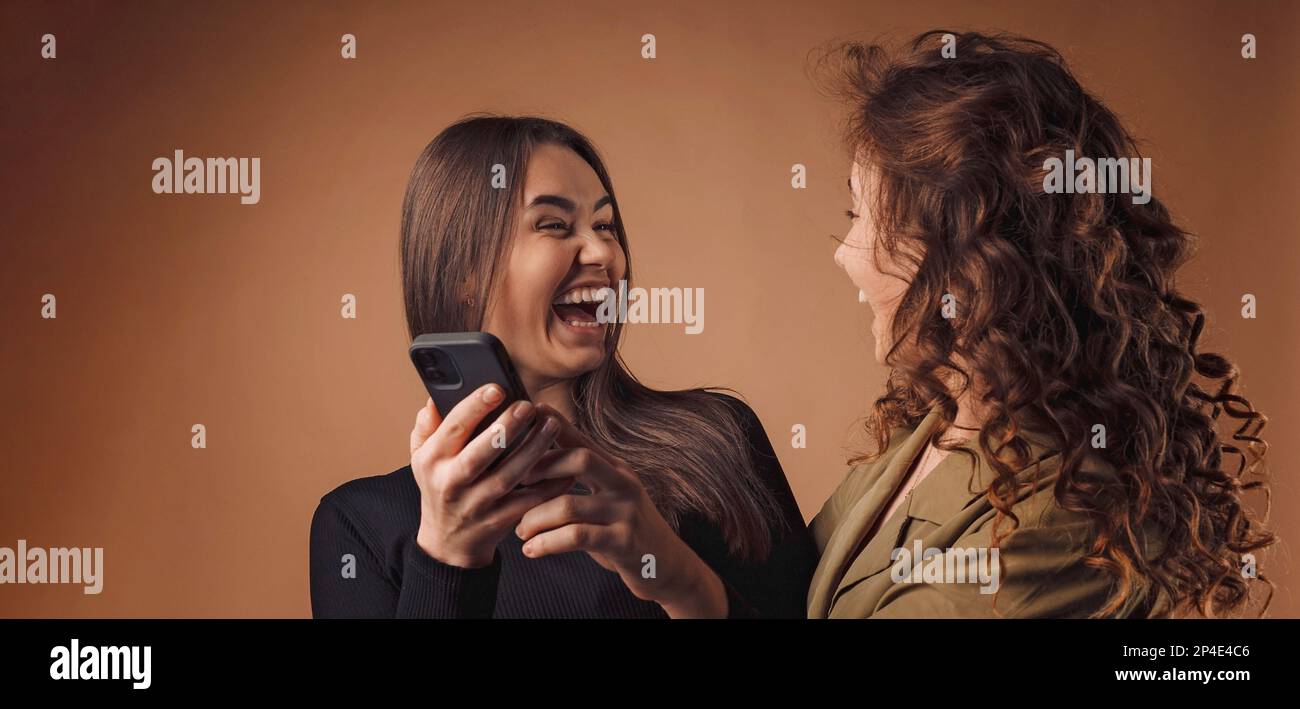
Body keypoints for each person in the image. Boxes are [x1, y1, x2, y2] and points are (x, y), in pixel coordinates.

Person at [807, 31, 1276, 618]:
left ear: (970, 269)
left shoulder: (1050, 533)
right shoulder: (937, 424)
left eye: (861, 215)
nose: (843, 253)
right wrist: (688, 586)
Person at [310, 115, 817, 618]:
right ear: (462, 270)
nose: (602, 252)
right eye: (554, 225)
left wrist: (681, 580)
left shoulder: (716, 439)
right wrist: (447, 558)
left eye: (605, 226)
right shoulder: (361, 524)